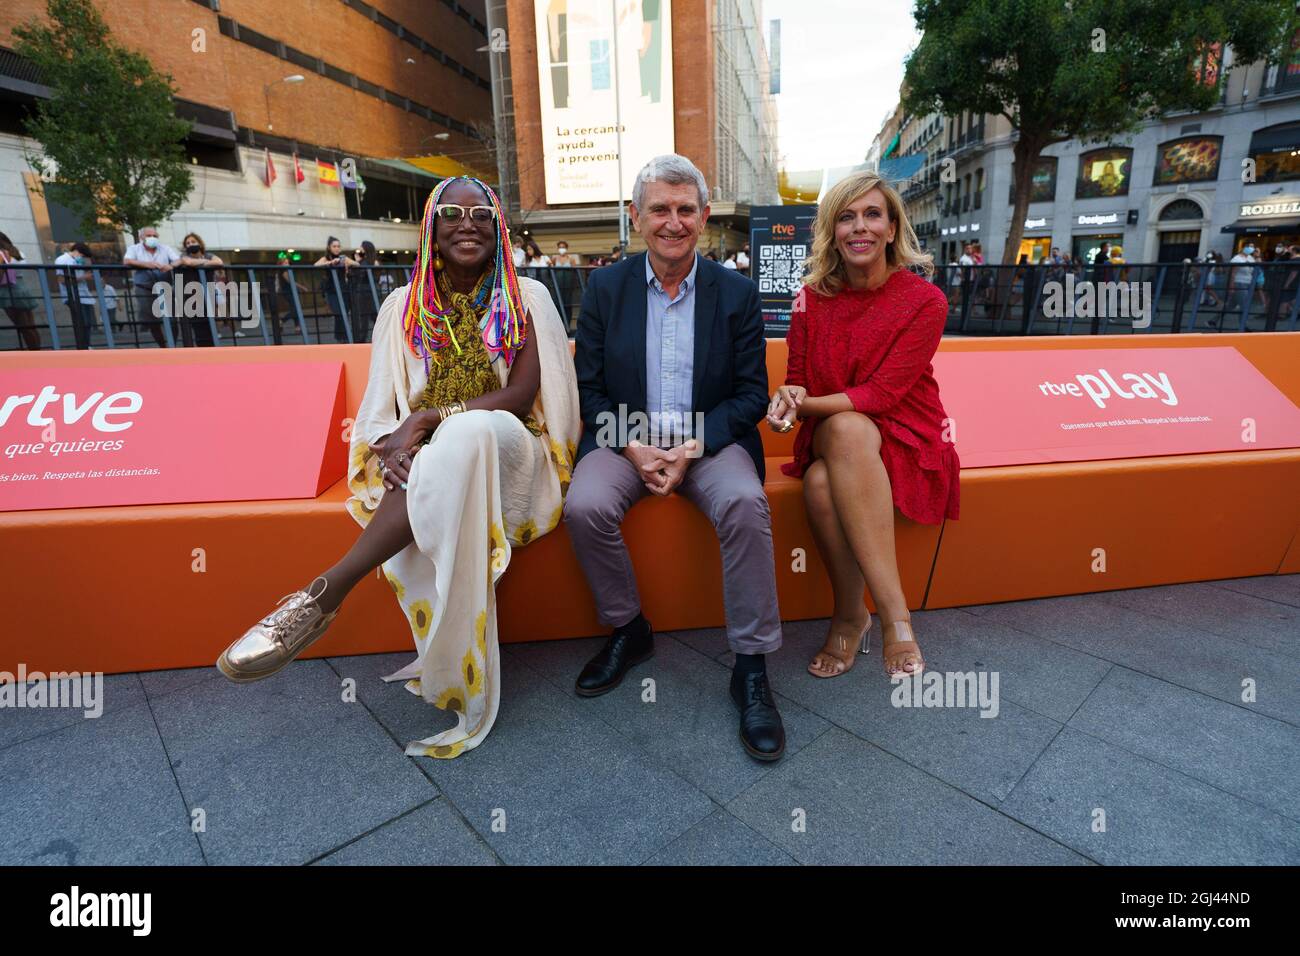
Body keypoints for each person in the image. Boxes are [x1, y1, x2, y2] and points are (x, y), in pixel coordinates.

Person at [217, 177, 580, 760]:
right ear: (431, 228)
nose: (468, 224)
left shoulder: (527, 298)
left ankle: (325, 591)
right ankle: (318, 601)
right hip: (437, 460)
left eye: (481, 214)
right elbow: (381, 408)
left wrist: (428, 418)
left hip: (512, 448)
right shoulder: (400, 306)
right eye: (453, 214)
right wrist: (395, 446)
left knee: (466, 430)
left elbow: (522, 393)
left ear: (499, 227)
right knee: (442, 451)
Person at [564, 153, 786, 762]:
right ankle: (629, 629)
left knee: (744, 502)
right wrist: (633, 444)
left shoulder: (736, 293)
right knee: (583, 505)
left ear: (704, 217)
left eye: (685, 209)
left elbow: (751, 396)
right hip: (625, 434)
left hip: (709, 441)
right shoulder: (606, 288)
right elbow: (591, 390)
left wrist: (693, 445)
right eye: (659, 208)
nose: (673, 221)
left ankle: (750, 665)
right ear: (637, 217)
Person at [767, 170, 959, 681]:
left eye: (872, 215)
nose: (860, 227)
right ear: (832, 230)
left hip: (906, 430)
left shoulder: (924, 301)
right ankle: (859, 612)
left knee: (843, 441)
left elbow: (883, 395)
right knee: (823, 474)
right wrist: (787, 404)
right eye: (846, 217)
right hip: (837, 436)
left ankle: (883, 613)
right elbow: (799, 380)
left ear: (893, 228)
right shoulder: (810, 299)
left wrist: (806, 407)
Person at [123, 227, 181, 347]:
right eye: (149, 236)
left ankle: (173, 346)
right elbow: (127, 261)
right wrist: (146, 265)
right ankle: (162, 346)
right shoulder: (134, 248)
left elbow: (178, 260)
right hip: (144, 288)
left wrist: (170, 266)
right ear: (142, 237)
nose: (152, 238)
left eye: (155, 236)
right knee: (152, 320)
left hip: (165, 287)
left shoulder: (165, 248)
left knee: (172, 320)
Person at [175, 232, 224, 345]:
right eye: (187, 243)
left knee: (211, 325)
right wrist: (207, 263)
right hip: (192, 296)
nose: (190, 244)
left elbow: (219, 262)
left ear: (199, 243)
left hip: (209, 294)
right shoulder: (184, 256)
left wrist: (201, 262)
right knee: (199, 328)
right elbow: (188, 262)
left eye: (193, 242)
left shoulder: (208, 254)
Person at [0, 232, 42, 350]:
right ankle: (37, 351)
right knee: (30, 325)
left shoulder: (2, 254)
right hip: (21, 286)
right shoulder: (17, 252)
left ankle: (35, 353)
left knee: (23, 326)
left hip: (8, 290)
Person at [56, 241, 99, 348]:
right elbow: (61, 280)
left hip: (84, 294)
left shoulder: (76, 260)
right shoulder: (63, 260)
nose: (82, 258)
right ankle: (83, 346)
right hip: (73, 295)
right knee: (82, 321)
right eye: (82, 255)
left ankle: (86, 344)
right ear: (76, 252)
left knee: (87, 322)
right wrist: (83, 277)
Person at [315, 237, 357, 342]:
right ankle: (343, 337)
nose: (337, 248)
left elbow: (357, 264)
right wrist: (330, 263)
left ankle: (342, 337)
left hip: (344, 289)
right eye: (334, 246)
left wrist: (348, 265)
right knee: (338, 313)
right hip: (331, 290)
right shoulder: (326, 258)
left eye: (338, 246)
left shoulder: (343, 258)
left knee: (344, 314)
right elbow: (316, 265)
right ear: (329, 247)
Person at [349, 240, 380, 343]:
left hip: (365, 291)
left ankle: (362, 339)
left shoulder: (366, 262)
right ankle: (381, 336)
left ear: (365, 248)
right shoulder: (372, 261)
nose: (360, 249)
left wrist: (357, 261)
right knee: (372, 316)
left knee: (365, 316)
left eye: (361, 247)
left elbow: (361, 274)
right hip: (369, 291)